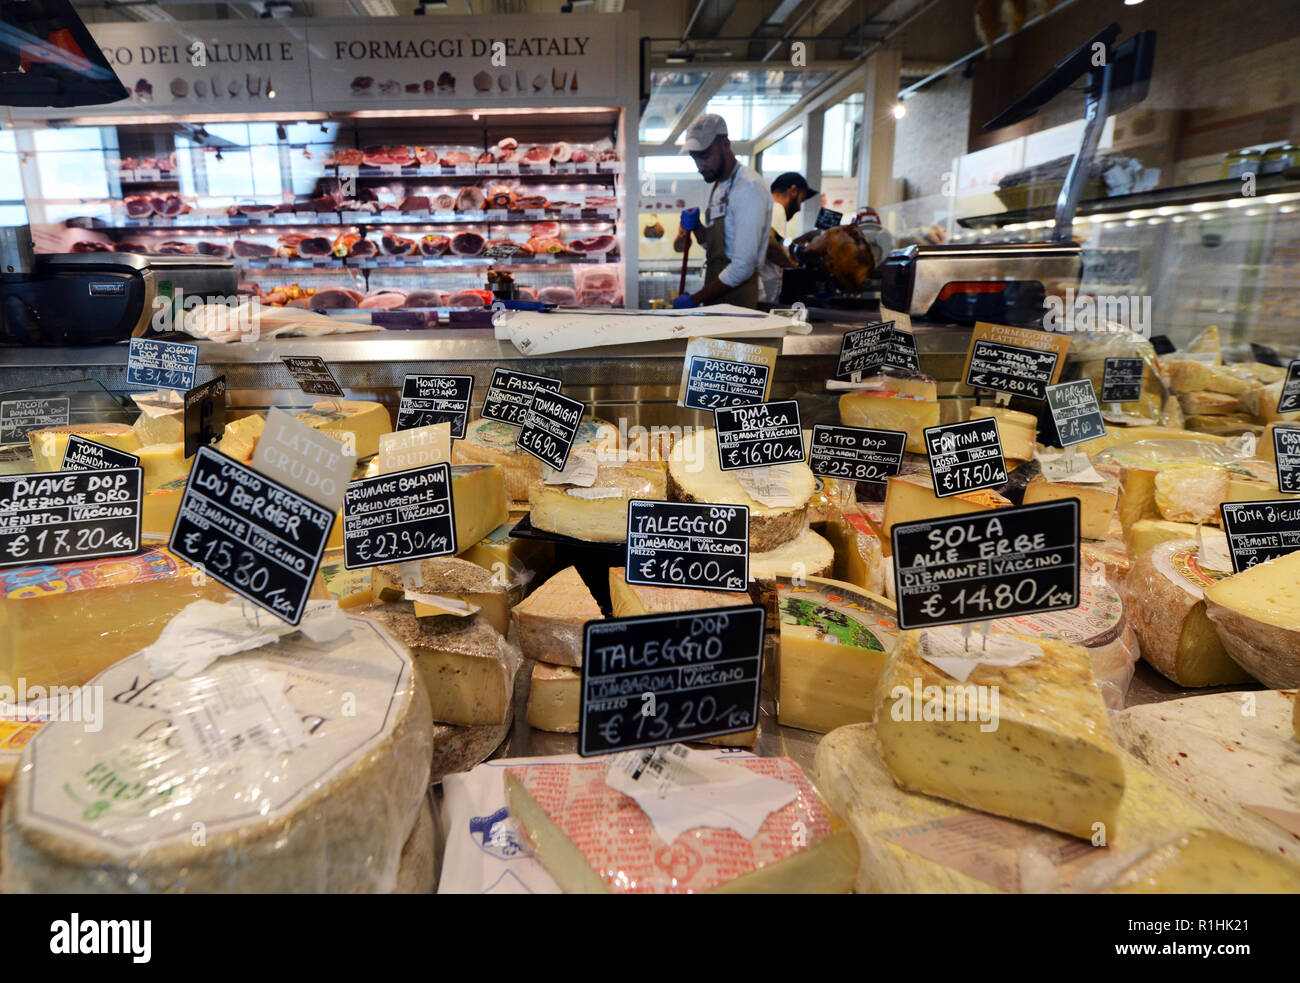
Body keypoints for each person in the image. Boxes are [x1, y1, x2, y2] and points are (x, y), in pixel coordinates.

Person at [672, 114, 771, 310]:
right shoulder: (719, 186)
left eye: (705, 156)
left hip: (738, 304)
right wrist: (698, 227)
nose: (700, 166)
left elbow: (743, 265)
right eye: (695, 158)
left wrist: (695, 299)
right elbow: (715, 246)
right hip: (717, 300)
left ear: (725, 144)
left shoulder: (748, 188)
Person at [759, 172, 818, 304]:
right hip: (762, 295)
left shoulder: (764, 207)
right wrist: (794, 266)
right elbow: (770, 247)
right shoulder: (777, 208)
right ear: (793, 191)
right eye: (801, 200)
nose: (799, 208)